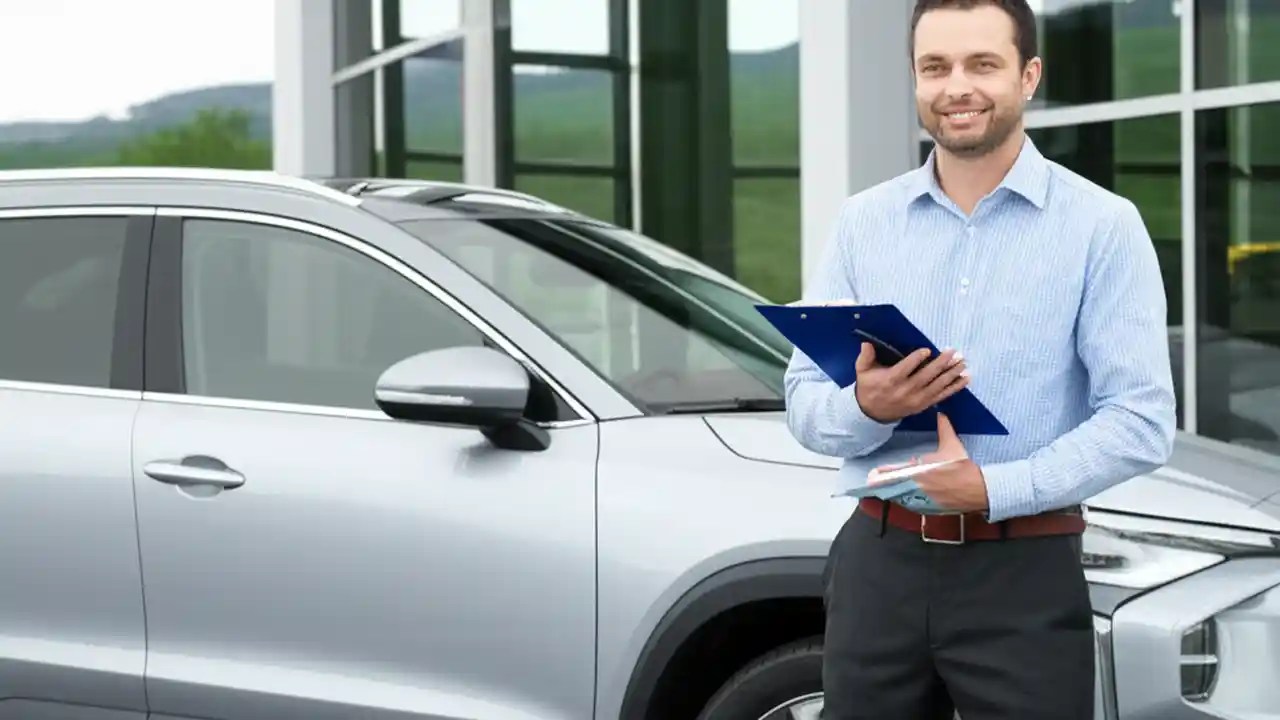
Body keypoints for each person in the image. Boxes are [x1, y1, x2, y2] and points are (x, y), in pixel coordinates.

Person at [783, 1, 1177, 718]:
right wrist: (868, 405)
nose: (956, 86)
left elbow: (1141, 419)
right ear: (915, 78)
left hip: (1024, 573)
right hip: (879, 562)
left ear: (1029, 77)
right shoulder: (863, 224)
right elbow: (804, 401)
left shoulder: (1101, 228)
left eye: (982, 64)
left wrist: (994, 490)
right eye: (935, 67)